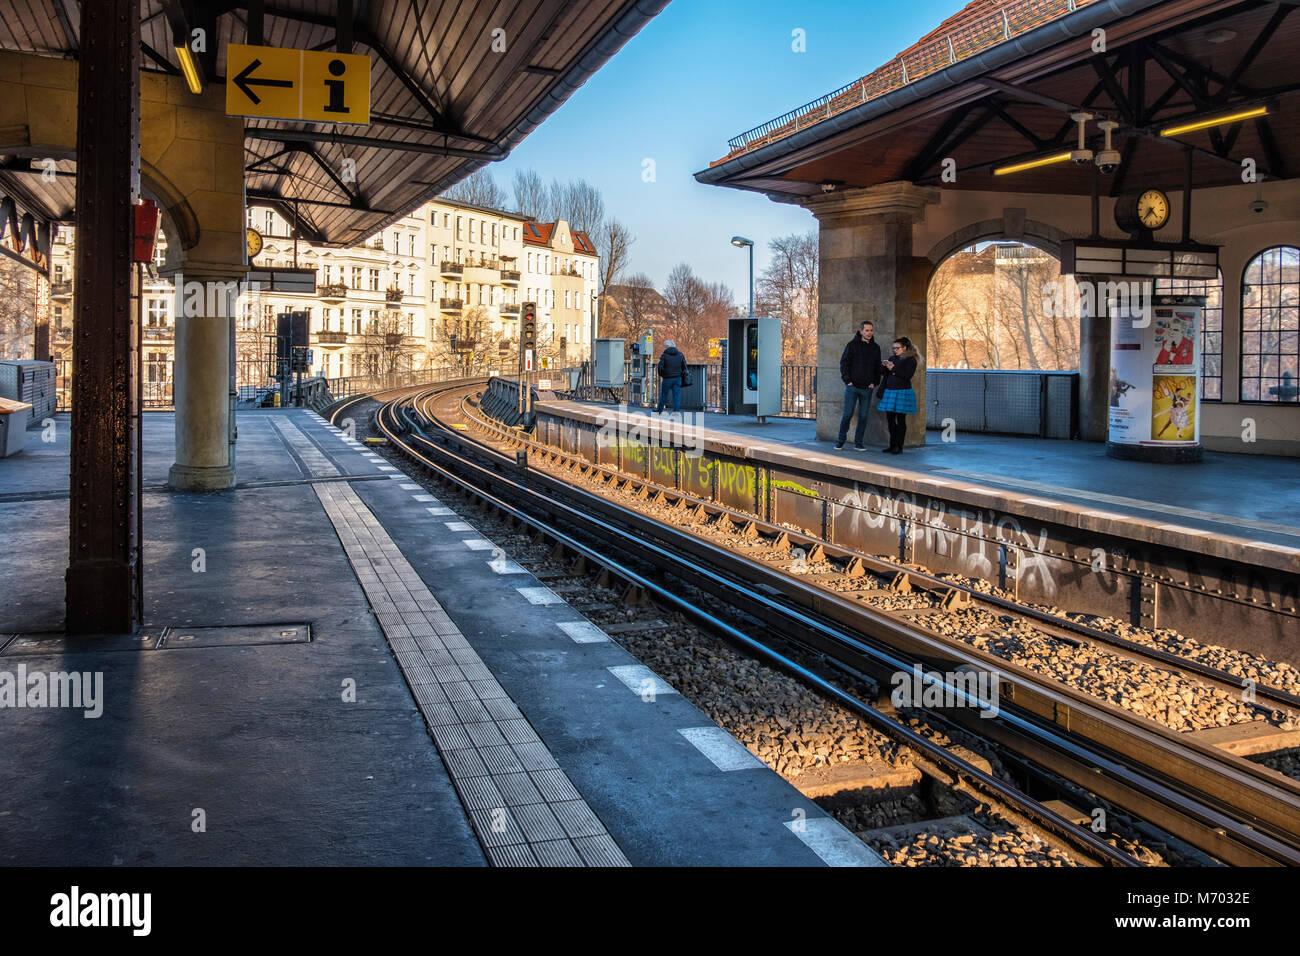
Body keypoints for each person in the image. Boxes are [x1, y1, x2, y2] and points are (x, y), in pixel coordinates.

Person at [836, 321, 881, 450]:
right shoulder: (852, 345)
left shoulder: (875, 347)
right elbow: (844, 363)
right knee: (847, 414)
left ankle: (858, 443)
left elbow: (877, 366)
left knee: (863, 416)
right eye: (866, 330)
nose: (869, 333)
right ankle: (840, 440)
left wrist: (874, 382)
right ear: (861, 331)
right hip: (852, 387)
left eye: (871, 330)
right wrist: (847, 381)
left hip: (867, 388)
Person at [877, 337, 920, 454]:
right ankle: (892, 445)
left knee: (901, 420)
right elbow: (884, 374)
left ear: (904, 348)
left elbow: (907, 375)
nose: (895, 350)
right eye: (893, 348)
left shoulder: (911, 360)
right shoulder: (892, 358)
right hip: (890, 392)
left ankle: (899, 447)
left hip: (902, 392)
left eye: (897, 348)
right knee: (890, 420)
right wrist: (884, 366)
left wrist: (893, 369)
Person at [654, 339, 687, 414]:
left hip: (667, 378)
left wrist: (662, 374)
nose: (663, 347)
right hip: (678, 378)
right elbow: (684, 366)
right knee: (676, 396)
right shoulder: (680, 354)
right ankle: (676, 411)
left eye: (664, 346)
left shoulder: (664, 355)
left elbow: (660, 367)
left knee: (664, 395)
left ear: (667, 346)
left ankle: (659, 410)